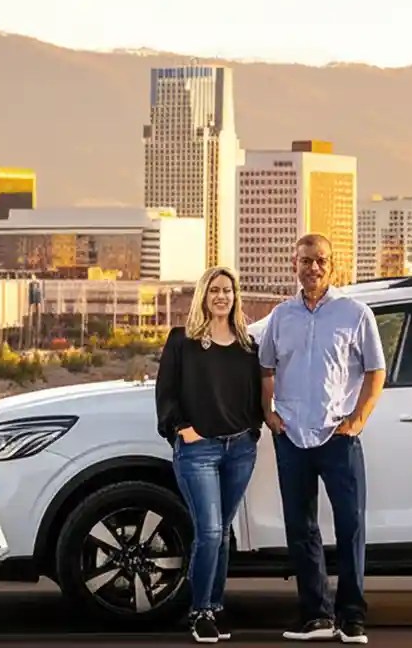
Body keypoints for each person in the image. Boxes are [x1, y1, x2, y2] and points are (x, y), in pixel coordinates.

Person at [258, 233, 386, 644]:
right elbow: (265, 368)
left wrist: (358, 419)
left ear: (333, 265)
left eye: (321, 261)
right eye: (306, 260)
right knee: (301, 527)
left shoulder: (355, 313)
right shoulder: (281, 316)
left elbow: (375, 371)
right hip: (292, 436)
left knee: (350, 526)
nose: (313, 268)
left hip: (338, 436)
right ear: (294, 263)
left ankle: (352, 618)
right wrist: (269, 413)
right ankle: (316, 616)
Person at [155, 265, 263, 644]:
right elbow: (166, 393)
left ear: (235, 298)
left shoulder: (248, 346)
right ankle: (199, 611)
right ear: (204, 295)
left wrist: (253, 430)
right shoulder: (183, 340)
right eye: (215, 290)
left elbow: (255, 395)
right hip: (198, 450)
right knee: (210, 530)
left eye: (228, 291)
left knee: (222, 533)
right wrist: (183, 429)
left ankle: (214, 609)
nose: (222, 296)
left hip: (240, 450)